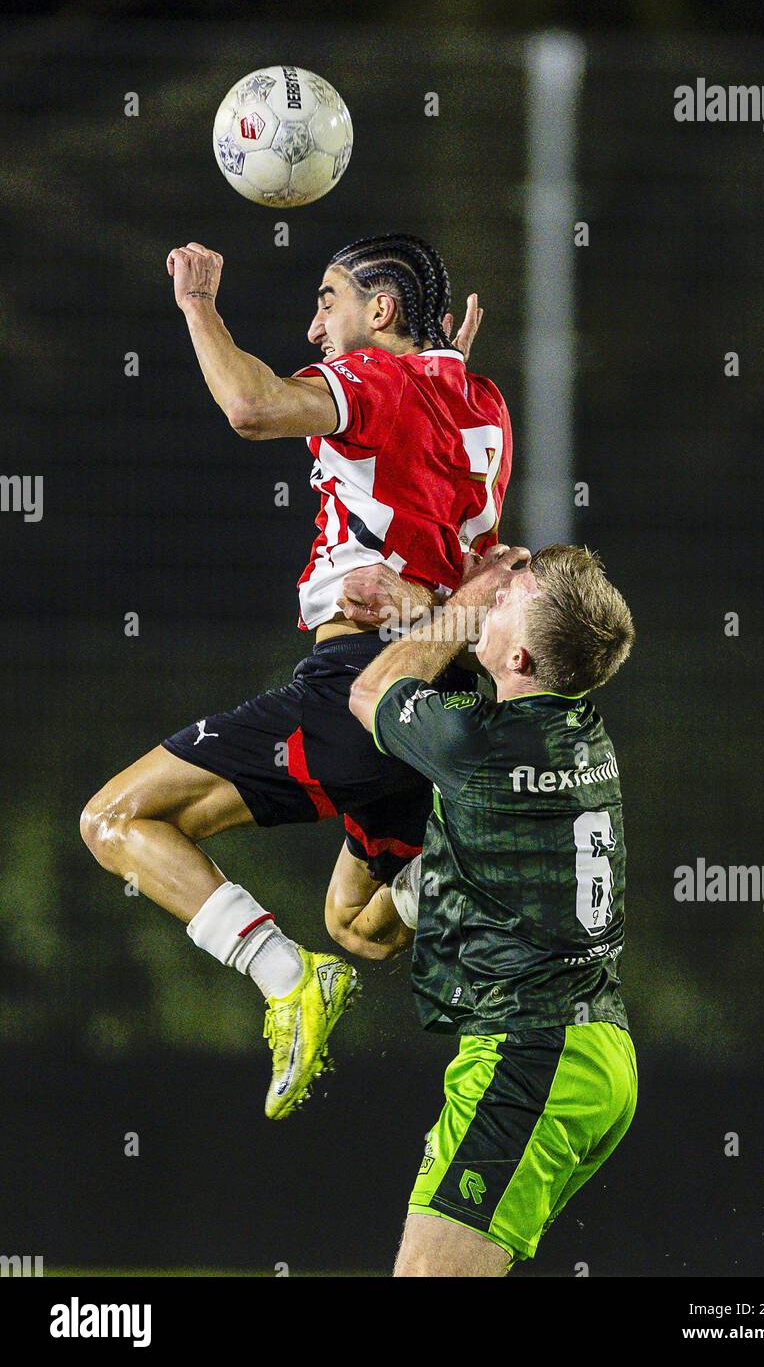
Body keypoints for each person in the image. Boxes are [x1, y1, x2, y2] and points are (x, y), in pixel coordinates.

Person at [80, 233, 512, 1119]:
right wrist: (438, 369)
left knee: (115, 820)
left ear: (380, 310)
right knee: (358, 925)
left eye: (328, 300)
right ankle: (491, 901)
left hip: (359, 685)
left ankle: (285, 979)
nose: (316, 325)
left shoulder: (373, 381)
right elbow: (436, 490)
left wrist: (198, 306)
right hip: (444, 694)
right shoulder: (481, 400)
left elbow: (249, 406)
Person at [348, 543, 637, 1275]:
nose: (488, 595)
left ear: (521, 663)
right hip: (590, 1051)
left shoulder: (474, 743)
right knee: (355, 923)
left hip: (529, 1057)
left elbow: (368, 691)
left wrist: (448, 607)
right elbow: (500, 668)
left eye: (504, 596)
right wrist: (434, 611)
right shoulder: (579, 723)